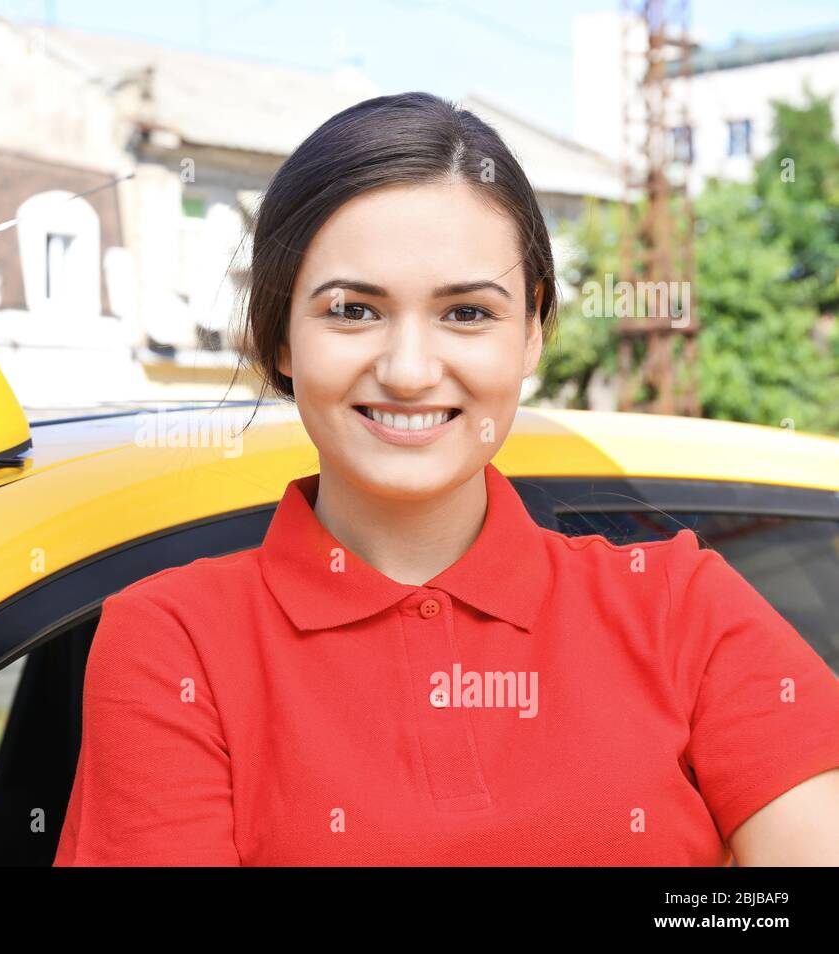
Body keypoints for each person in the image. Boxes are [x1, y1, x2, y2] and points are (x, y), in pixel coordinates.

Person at [52, 91, 839, 866]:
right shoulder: (173, 641)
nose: (409, 371)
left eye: (466, 313)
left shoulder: (681, 604)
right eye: (353, 310)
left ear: (531, 332)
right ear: (281, 335)